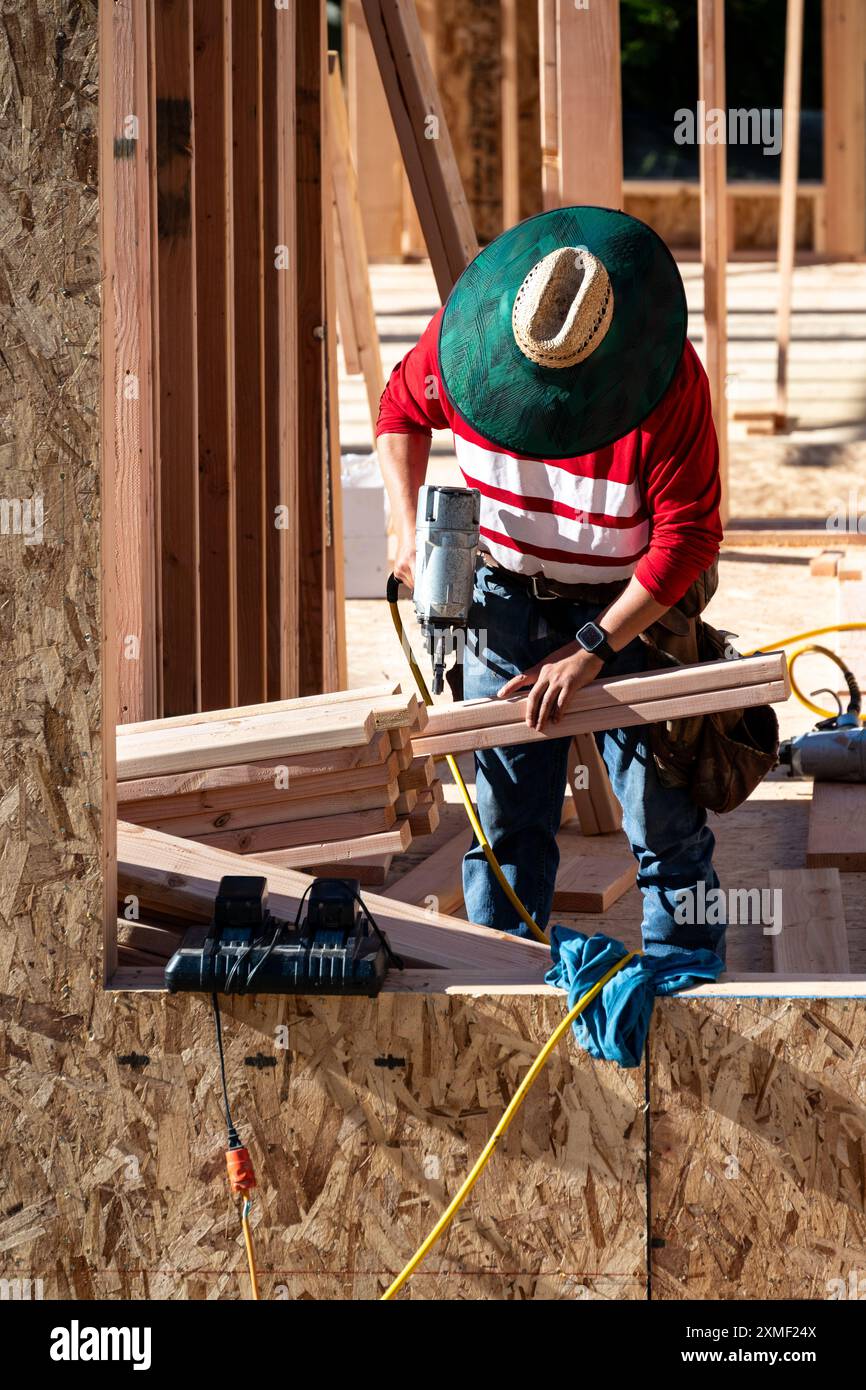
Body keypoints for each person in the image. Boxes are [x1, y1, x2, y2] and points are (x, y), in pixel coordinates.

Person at [376, 206, 725, 959]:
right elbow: (399, 410)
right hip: (503, 601)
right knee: (504, 829)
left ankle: (688, 985)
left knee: (662, 819)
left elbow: (690, 536)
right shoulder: (465, 343)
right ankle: (501, 986)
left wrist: (594, 646)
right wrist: (404, 525)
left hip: (629, 610)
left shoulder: (664, 381)